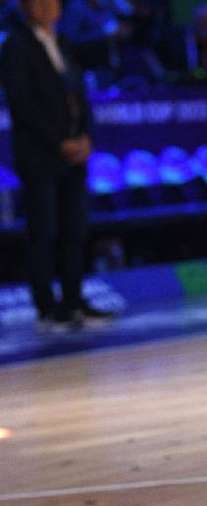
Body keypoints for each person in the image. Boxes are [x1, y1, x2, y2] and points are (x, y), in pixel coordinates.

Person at [0, 0, 114, 330]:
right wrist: (58, 141)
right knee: (43, 232)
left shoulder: (63, 43)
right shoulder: (16, 46)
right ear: (27, 8)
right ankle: (47, 308)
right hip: (41, 156)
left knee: (74, 229)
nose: (49, 7)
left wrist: (86, 137)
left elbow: (80, 96)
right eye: (40, 1)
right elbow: (23, 105)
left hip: (75, 154)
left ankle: (74, 300)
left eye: (52, 1)